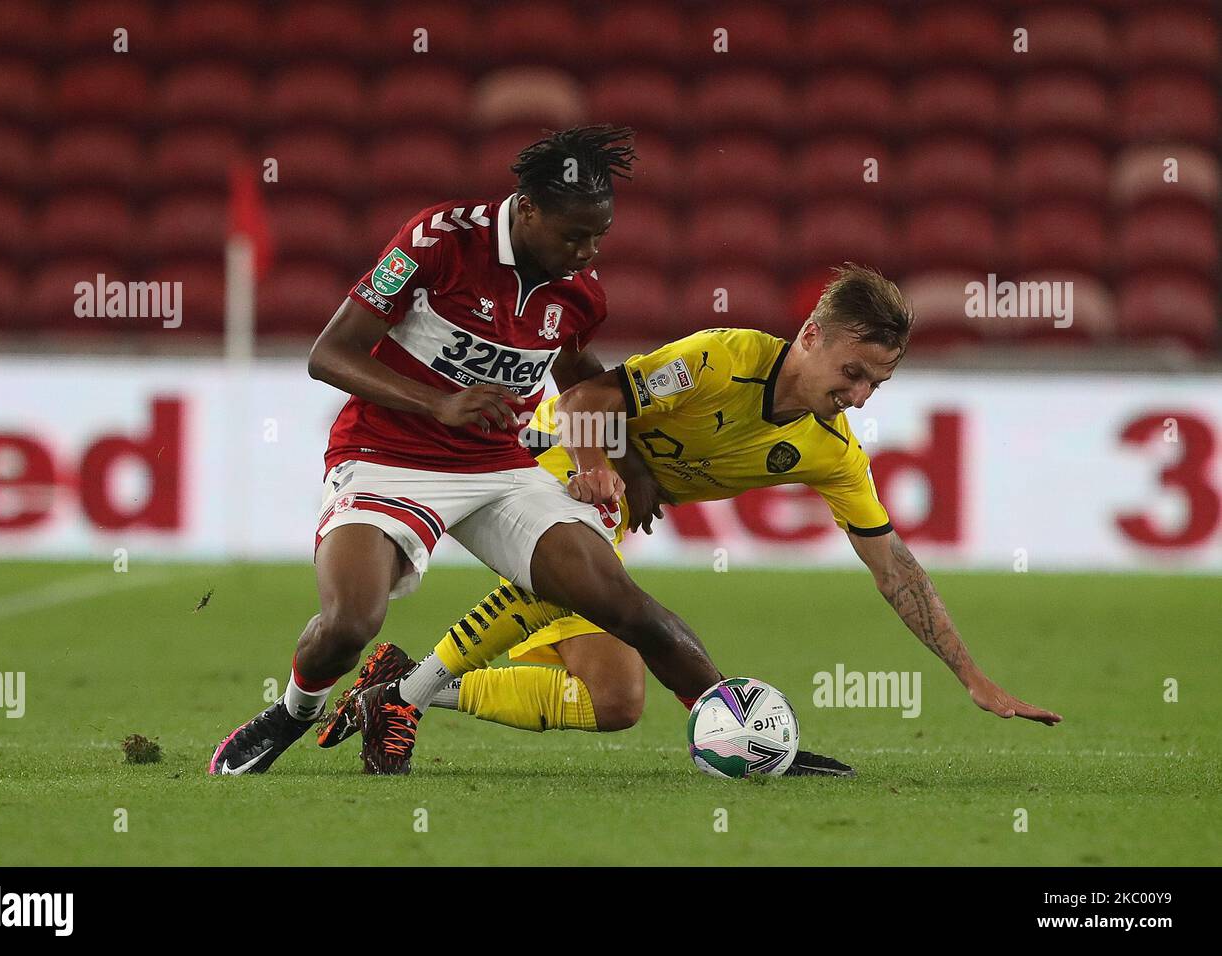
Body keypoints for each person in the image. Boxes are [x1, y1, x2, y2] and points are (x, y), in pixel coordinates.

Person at [319, 265, 1062, 775]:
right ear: (810, 336)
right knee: (569, 565)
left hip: (603, 490)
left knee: (613, 702)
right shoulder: (721, 359)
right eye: (853, 372)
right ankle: (407, 702)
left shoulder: (831, 453)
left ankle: (405, 683)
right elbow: (585, 399)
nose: (861, 396)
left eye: (877, 382)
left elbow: (894, 567)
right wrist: (602, 464)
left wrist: (972, 676)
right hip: (545, 457)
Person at [209, 126, 725, 776]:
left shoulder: (578, 290)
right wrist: (437, 403)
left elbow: (577, 379)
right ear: (528, 209)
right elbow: (328, 355)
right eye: (574, 235)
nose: (587, 250)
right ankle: (293, 711)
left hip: (496, 467)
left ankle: (735, 723)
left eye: (600, 236)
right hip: (385, 454)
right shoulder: (440, 241)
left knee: (625, 604)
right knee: (348, 625)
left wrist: (616, 462)